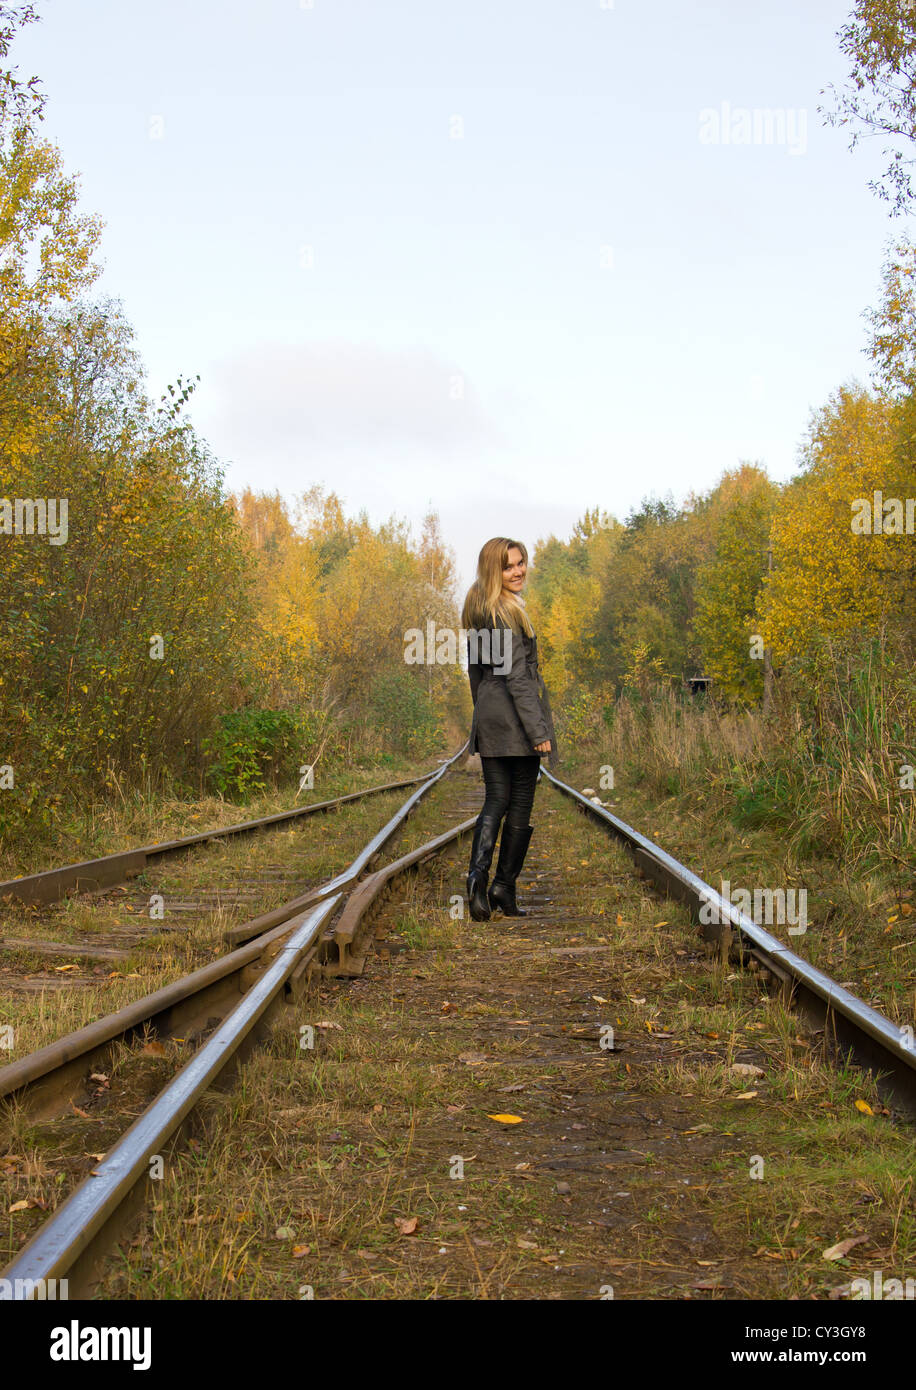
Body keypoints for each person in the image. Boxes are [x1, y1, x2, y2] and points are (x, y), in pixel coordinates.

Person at [461, 536, 558, 921]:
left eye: (520, 563)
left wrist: (484, 714)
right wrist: (538, 731)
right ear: (493, 571)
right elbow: (519, 678)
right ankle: (502, 885)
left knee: (495, 800)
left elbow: (475, 673)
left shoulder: (478, 610)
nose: (518, 571)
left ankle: (479, 883)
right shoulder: (506, 614)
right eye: (508, 566)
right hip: (516, 721)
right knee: (517, 803)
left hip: (492, 714)